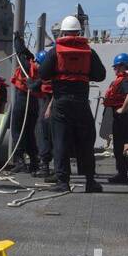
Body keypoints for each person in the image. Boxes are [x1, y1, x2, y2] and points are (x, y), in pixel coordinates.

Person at [38, 15, 107, 193]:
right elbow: (100, 75)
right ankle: (90, 181)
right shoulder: (89, 51)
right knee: (86, 141)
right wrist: (83, 75)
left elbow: (43, 73)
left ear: (62, 32)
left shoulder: (56, 51)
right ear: (79, 32)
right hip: (81, 102)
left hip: (61, 102)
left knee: (60, 141)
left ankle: (63, 182)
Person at [102, 53, 128, 185]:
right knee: (122, 146)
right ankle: (122, 173)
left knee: (120, 147)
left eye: (116, 67)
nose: (115, 70)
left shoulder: (125, 81)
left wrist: (121, 110)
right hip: (125, 117)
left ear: (123, 66)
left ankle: (122, 174)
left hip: (124, 117)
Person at [7, 48, 41, 174]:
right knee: (30, 133)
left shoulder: (26, 66)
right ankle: (34, 161)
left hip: (22, 99)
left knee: (17, 131)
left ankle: (19, 161)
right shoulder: (43, 72)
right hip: (34, 102)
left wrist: (18, 41)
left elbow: (20, 54)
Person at [33, 49, 55, 179]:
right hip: (48, 103)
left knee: (43, 135)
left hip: (47, 104)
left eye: (37, 61)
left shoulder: (46, 78)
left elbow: (53, 92)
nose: (34, 64)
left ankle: (44, 167)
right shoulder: (51, 75)